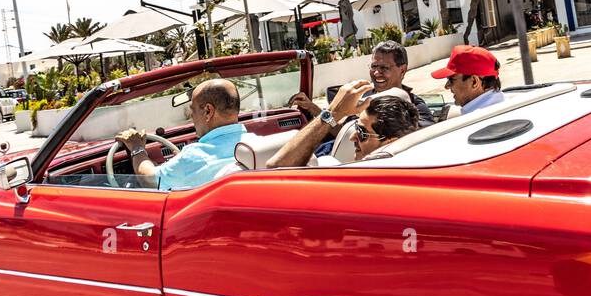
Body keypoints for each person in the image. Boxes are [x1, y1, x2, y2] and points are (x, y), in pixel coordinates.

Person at [116, 79, 245, 190]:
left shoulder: (194, 158)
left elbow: (149, 180)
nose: (191, 115)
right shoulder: (255, 144)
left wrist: (137, 148)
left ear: (208, 111)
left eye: (193, 110)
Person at [269, 79, 421, 168]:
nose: (352, 137)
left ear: (390, 142)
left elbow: (276, 168)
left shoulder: (354, 180)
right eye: (356, 128)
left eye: (362, 133)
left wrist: (333, 112)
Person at [288, 40, 435, 129]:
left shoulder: (414, 106)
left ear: (402, 70)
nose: (376, 73)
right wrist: (314, 108)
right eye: (374, 67)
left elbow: (424, 134)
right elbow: (340, 131)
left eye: (384, 68)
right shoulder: (364, 100)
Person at [432, 45, 505, 114]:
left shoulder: (475, 122)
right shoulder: (505, 102)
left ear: (474, 82)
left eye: (451, 79)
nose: (447, 86)